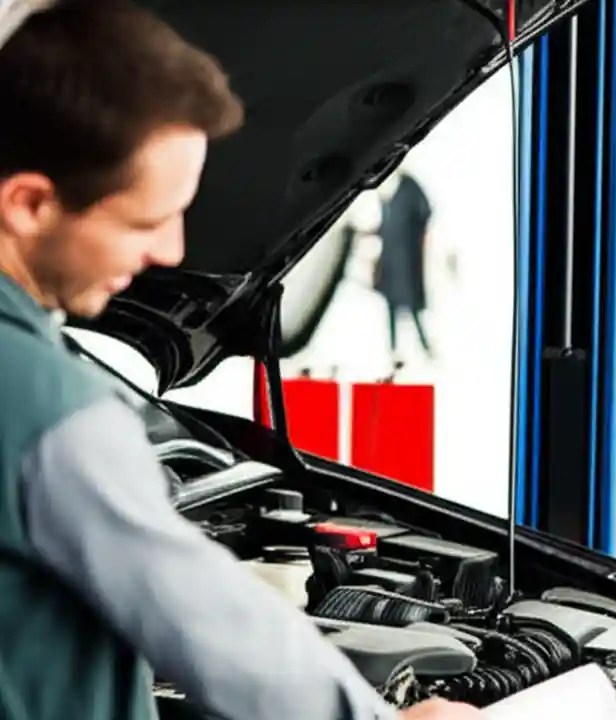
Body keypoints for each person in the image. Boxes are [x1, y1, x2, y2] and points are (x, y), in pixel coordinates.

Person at [0, 1, 480, 718]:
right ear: (30, 204)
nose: (170, 252)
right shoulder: (52, 412)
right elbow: (210, 629)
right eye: (147, 219)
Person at [374, 168, 434, 360]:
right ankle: (394, 349)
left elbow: (425, 211)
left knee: (411, 304)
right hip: (391, 259)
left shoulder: (409, 188)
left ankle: (424, 347)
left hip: (406, 258)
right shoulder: (388, 192)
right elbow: (386, 226)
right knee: (392, 305)